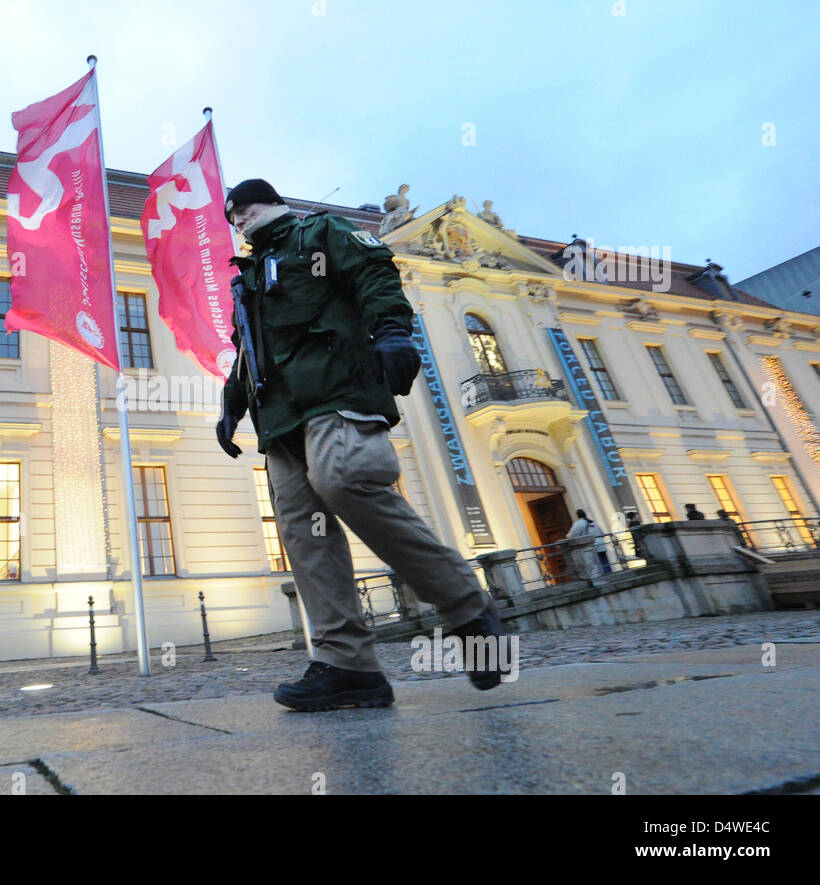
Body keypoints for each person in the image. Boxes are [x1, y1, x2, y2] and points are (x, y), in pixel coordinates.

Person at [214, 178, 509, 712]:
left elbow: (374, 272)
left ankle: (468, 607)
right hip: (279, 417)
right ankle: (348, 666)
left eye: (247, 209)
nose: (239, 220)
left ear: (274, 203)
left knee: (346, 477)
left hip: (337, 389)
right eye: (233, 218)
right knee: (302, 532)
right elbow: (247, 347)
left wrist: (393, 332)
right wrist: (231, 402)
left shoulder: (321, 232)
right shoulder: (248, 276)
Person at [566, 509, 610, 573]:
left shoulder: (579, 524)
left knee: (595, 563)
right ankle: (608, 573)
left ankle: (602, 575)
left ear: (577, 516)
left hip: (591, 545)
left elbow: (571, 535)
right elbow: (602, 533)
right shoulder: (593, 522)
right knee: (604, 561)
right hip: (601, 544)